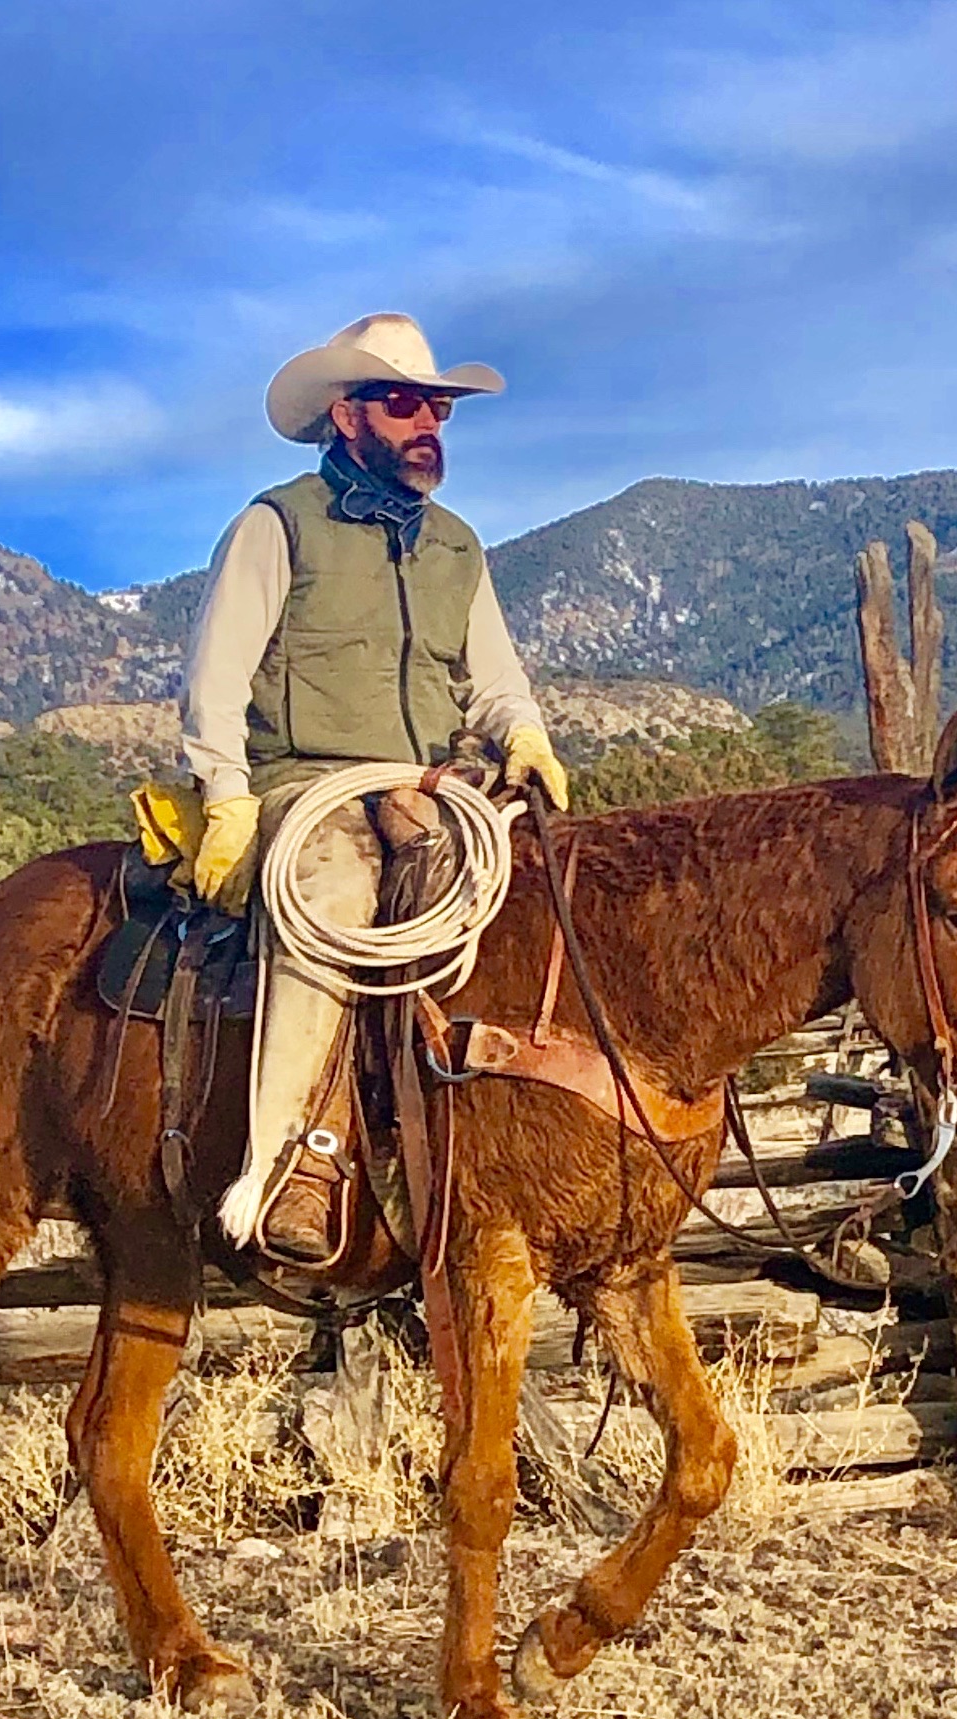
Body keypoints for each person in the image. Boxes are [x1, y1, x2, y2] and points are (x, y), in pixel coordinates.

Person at [181, 312, 568, 1263]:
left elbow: (494, 677)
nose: (428, 420)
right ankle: (297, 1160)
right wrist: (228, 799)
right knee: (338, 896)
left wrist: (523, 735)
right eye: (404, 403)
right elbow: (215, 678)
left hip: (431, 784)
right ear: (346, 417)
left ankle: (489, 1145)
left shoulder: (457, 548)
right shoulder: (278, 526)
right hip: (301, 786)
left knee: (532, 896)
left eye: (436, 404)